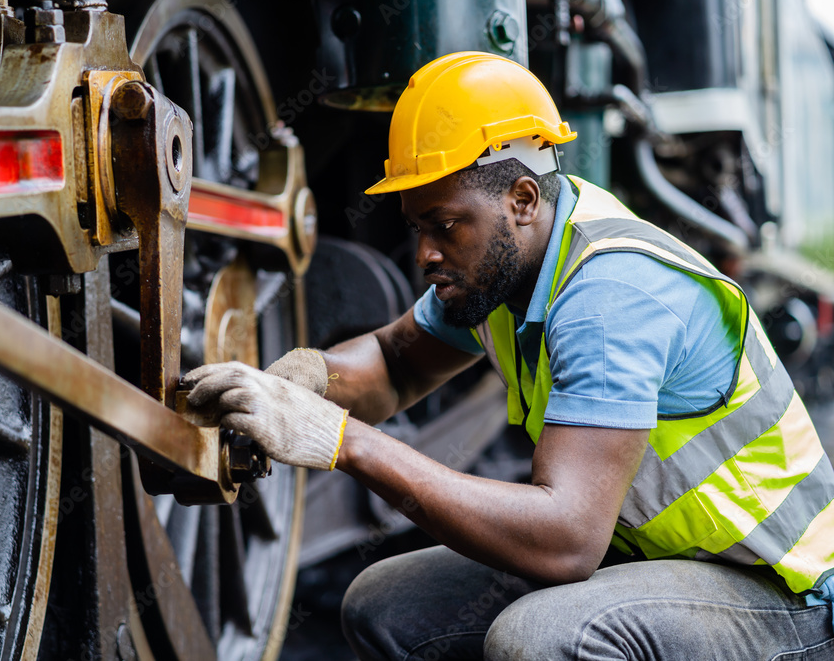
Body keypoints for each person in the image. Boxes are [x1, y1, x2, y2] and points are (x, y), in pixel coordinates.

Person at [183, 52, 834, 659]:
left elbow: (568, 539)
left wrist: (343, 441)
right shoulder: (507, 268)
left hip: (779, 590)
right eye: (418, 229)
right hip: (653, 560)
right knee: (385, 605)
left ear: (522, 199)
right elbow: (396, 360)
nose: (425, 255)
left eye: (445, 226)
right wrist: (308, 378)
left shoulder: (611, 295)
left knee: (544, 636)